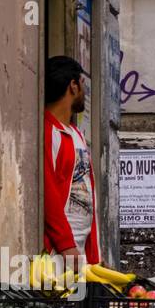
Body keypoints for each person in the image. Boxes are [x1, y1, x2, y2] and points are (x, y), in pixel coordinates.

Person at [43, 56, 100, 267]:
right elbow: (47, 190)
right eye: (83, 84)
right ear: (73, 86)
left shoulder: (76, 134)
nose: (84, 92)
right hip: (57, 252)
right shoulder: (48, 131)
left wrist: (94, 257)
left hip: (79, 249)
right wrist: (66, 244)